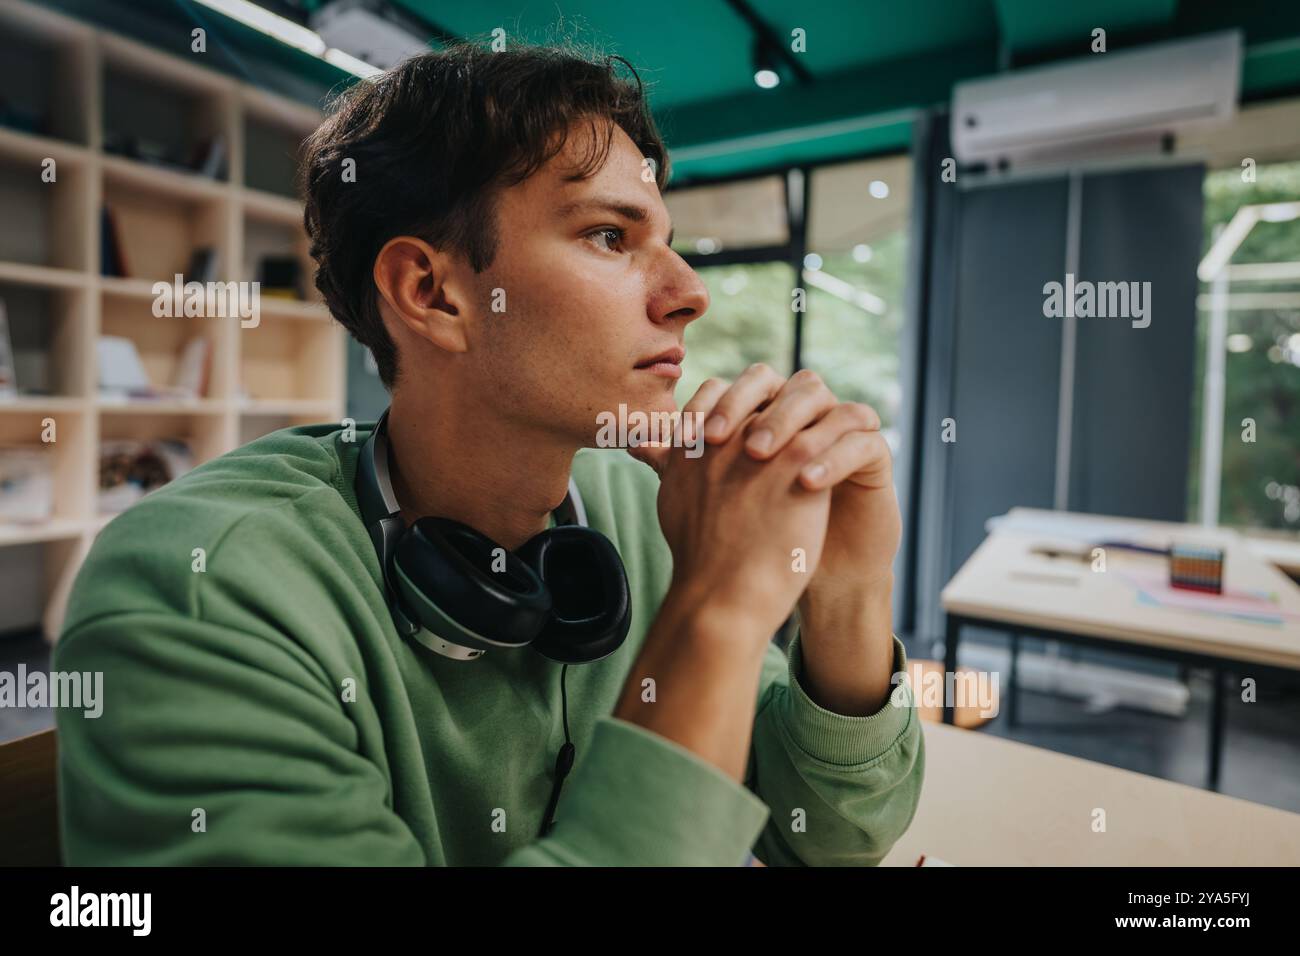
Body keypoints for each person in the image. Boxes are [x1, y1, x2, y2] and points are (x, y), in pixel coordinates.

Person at [54, 42, 923, 866]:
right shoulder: (198, 593)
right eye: (609, 237)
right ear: (432, 293)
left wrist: (846, 592)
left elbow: (823, 841)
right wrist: (719, 605)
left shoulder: (642, 505)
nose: (688, 294)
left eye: (663, 240)